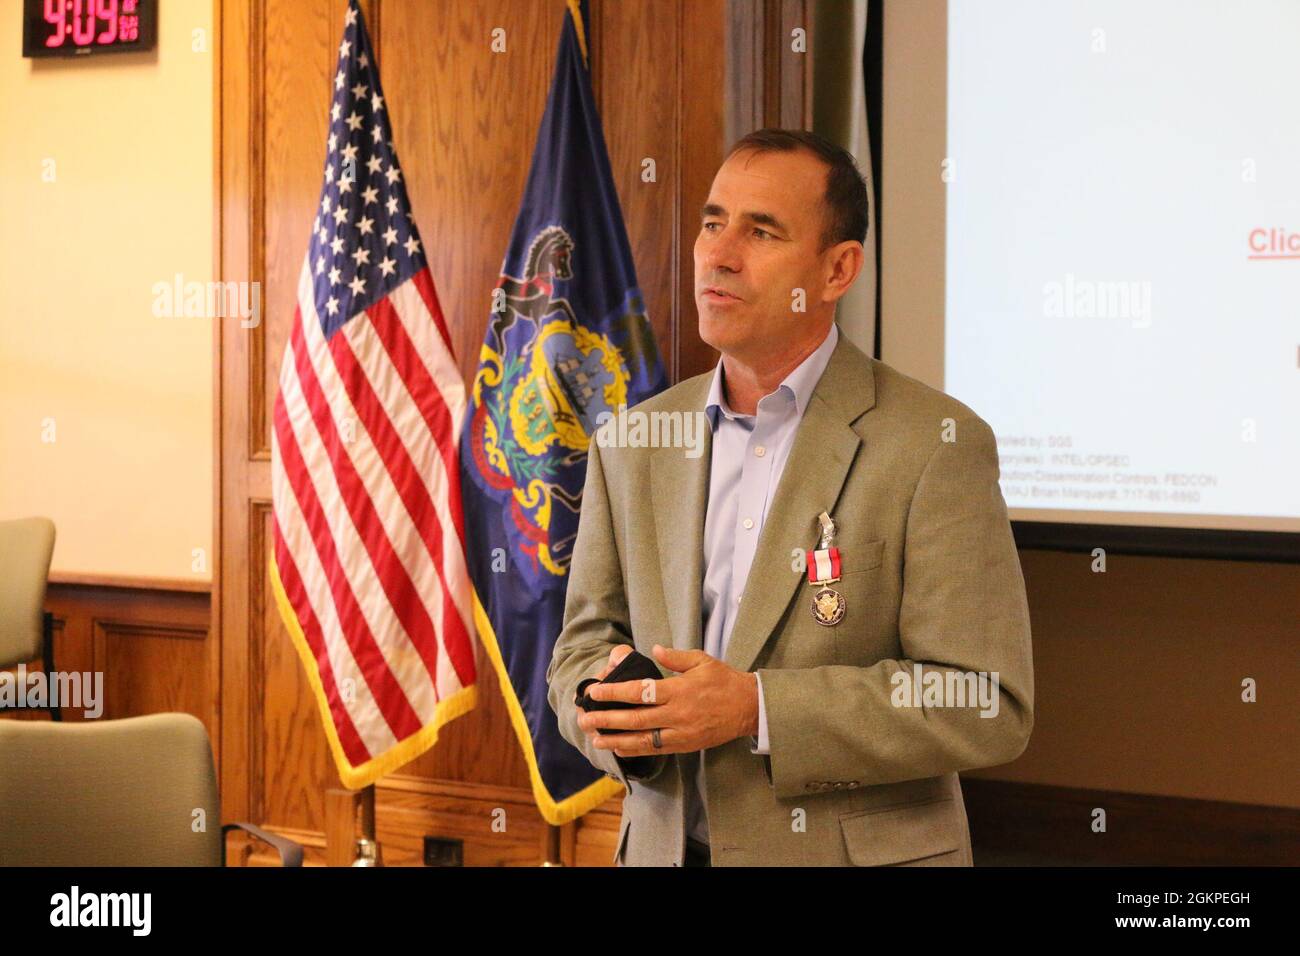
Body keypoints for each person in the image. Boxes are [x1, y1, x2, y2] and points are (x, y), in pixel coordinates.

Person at [546, 128, 1034, 866]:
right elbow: (578, 653)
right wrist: (626, 718)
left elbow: (987, 701)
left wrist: (757, 709)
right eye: (713, 222)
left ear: (837, 270)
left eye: (761, 231)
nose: (719, 252)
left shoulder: (934, 443)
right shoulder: (635, 440)